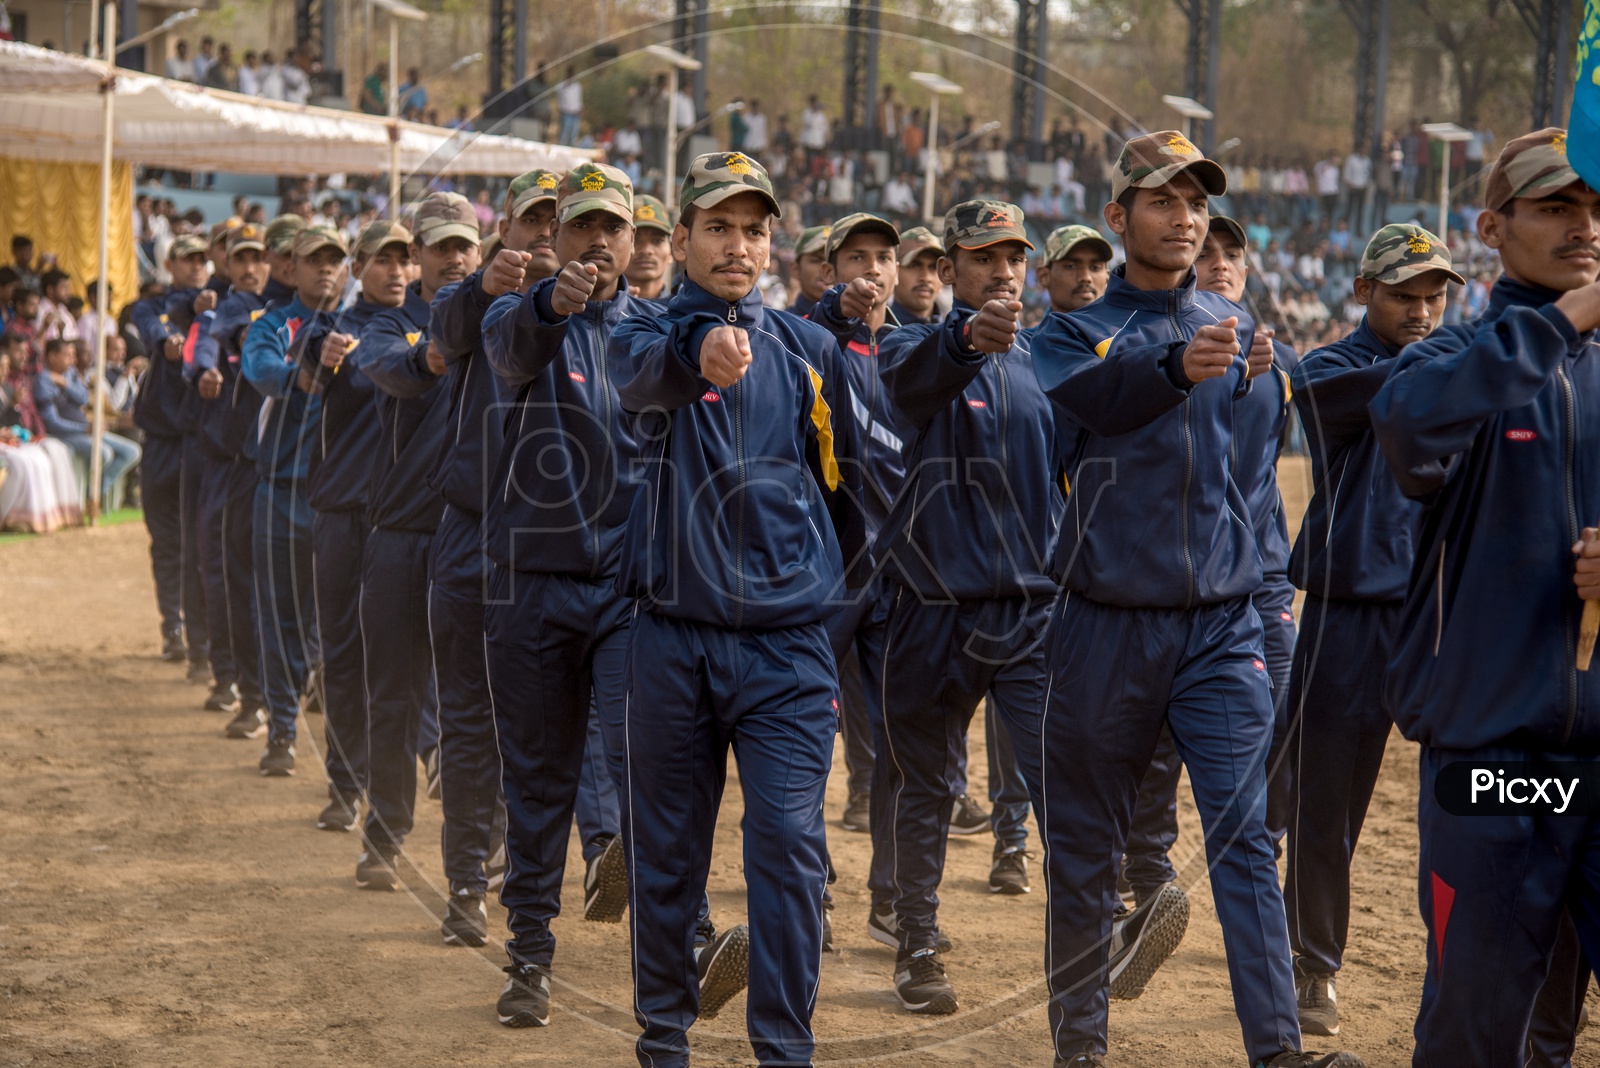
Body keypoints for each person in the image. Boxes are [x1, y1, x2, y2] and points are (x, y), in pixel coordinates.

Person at [1029, 132, 1363, 1068]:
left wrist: (1263, 606)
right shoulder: (1067, 334)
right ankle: (1081, 1047)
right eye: (1162, 200)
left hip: (1219, 631)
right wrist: (1178, 368)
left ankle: (1278, 1050)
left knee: (1246, 841)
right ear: (1117, 215)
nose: (1183, 218)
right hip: (1099, 626)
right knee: (1086, 854)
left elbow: (1251, 490)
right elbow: (1093, 402)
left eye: (1197, 204)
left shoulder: (1243, 338)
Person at [609, 151, 858, 1068]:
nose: (738, 245)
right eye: (718, 227)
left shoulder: (808, 349)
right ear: (678, 240)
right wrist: (699, 354)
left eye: (755, 229)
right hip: (669, 642)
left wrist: (823, 601)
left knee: (790, 846)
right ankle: (662, 1036)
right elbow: (647, 375)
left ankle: (783, 1049)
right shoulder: (636, 334)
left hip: (790, 653)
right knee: (666, 854)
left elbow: (857, 490)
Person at [1370, 127, 1600, 1067]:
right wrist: (1565, 322)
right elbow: (1412, 426)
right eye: (1556, 207)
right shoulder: (1447, 363)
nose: (1584, 226)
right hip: (1496, 764)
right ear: (1492, 227)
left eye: (1594, 209)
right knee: (1474, 1032)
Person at [865, 200, 1064, 1012]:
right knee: (929, 785)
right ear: (949, 271)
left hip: (1028, 609)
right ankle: (916, 943)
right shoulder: (906, 343)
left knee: (1063, 777)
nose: (1004, 270)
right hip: (930, 608)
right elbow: (907, 389)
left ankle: (1090, 941)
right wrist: (962, 339)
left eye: (1014, 256)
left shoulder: (1045, 359)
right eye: (984, 257)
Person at [479, 161, 657, 1025]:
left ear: (633, 237)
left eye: (610, 226)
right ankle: (529, 956)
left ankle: (670, 951)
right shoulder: (521, 317)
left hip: (629, 596)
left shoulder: (658, 331)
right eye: (579, 225)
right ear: (556, 237)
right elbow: (513, 348)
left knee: (650, 768)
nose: (595, 240)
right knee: (539, 782)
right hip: (533, 590)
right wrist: (554, 301)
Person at [1274, 222, 1457, 1038]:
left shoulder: (1458, 375)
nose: (1421, 311)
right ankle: (1314, 966)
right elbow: (1391, 395)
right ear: (1362, 294)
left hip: (1446, 618)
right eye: (1402, 294)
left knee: (1469, 801)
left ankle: (1466, 967)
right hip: (1346, 619)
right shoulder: (1327, 372)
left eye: (1434, 295)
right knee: (1327, 804)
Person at [426, 168, 563, 950]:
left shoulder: (596, 312)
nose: (544, 230)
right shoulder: (473, 298)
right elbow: (443, 332)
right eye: (531, 217)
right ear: (502, 226)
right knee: (469, 722)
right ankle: (465, 884)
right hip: (470, 535)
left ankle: (531, 873)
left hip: (550, 551)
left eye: (557, 217)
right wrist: (483, 282)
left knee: (538, 727)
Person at [344, 196, 476, 893]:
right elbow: (394, 369)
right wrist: (438, 348)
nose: (453, 257)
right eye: (438, 246)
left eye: (464, 246)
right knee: (391, 696)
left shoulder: (501, 321)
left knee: (473, 705)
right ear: (417, 255)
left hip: (473, 539)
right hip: (397, 540)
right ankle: (385, 834)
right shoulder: (386, 326)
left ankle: (475, 860)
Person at [300, 219, 413, 835]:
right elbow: (302, 388)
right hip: (344, 515)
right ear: (357, 269)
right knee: (345, 656)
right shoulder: (328, 330)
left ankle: (409, 775)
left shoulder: (436, 325)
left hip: (409, 521)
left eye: (403, 259)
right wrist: (323, 362)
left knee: (403, 662)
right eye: (381, 260)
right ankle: (346, 785)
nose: (395, 270)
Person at [241, 218, 333, 777]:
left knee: (331, 623)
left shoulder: (360, 325)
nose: (326, 268)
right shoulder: (273, 324)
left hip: (341, 502)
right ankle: (281, 729)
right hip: (279, 494)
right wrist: (300, 372)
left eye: (335, 258)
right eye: (313, 259)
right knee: (280, 618)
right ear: (290, 268)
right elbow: (261, 368)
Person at [189, 222, 272, 740]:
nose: (248, 266)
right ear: (224, 259)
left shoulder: (290, 312)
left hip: (287, 469)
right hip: (230, 466)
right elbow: (200, 349)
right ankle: (234, 680)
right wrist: (204, 374)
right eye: (239, 256)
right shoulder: (213, 310)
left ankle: (279, 686)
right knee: (225, 573)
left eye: (256, 257)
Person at [130, 234, 210, 666]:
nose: (196, 265)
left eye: (202, 258)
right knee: (166, 540)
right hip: (162, 443)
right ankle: (172, 628)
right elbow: (153, 332)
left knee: (203, 542)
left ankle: (205, 634)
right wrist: (174, 330)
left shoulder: (224, 307)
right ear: (170, 263)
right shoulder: (151, 306)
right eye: (187, 258)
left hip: (201, 443)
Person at [32, 338, 141, 504]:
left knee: (132, 452)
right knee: (103, 453)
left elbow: (84, 399)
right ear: (52, 357)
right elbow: (52, 423)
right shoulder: (43, 381)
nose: (73, 360)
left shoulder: (70, 374)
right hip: (63, 434)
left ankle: (95, 492)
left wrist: (65, 384)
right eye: (67, 355)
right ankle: (91, 497)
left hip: (86, 430)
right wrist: (84, 429)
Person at [1035, 224, 1113, 314]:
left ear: (1107, 279)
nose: (1086, 278)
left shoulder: (1129, 327)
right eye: (1071, 266)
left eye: (1095, 268)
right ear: (1044, 276)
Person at [890, 226, 943, 324]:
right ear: (895, 271)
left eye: (933, 267)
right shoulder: (875, 333)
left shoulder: (956, 334)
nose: (926, 278)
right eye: (914, 266)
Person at [628, 193, 673, 301]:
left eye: (658, 241)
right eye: (635, 240)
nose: (646, 250)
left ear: (672, 251)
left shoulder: (684, 312)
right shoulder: (598, 311)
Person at [789, 224, 831, 317]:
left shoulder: (859, 323)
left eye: (833, 261)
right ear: (795, 269)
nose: (827, 269)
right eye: (817, 260)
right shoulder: (782, 327)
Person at [556, 65, 582, 145]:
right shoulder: (561, 86)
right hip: (566, 113)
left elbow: (579, 100)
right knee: (563, 135)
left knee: (573, 136)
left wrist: (580, 110)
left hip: (575, 114)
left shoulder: (577, 86)